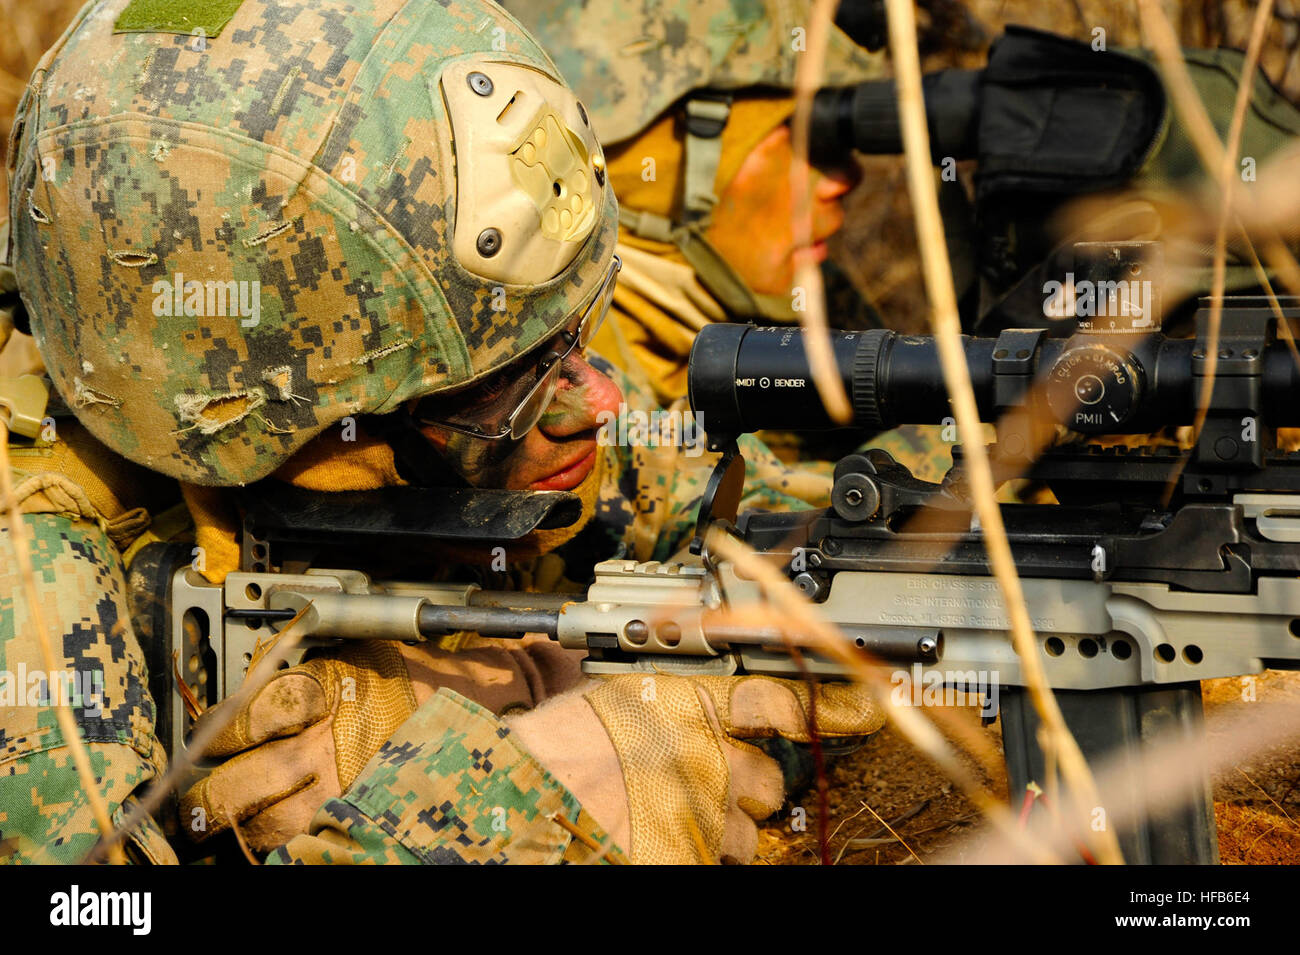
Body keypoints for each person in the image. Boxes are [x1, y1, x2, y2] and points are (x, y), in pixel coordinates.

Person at [0, 0, 882, 865]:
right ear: (247, 414)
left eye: (571, 337)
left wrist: (474, 696)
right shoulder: (28, 583)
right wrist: (506, 806)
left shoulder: (505, 428)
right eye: (502, 384)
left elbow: (802, 594)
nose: (595, 402)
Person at [504, 0, 957, 481]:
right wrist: (1008, 409)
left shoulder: (802, 303)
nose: (845, 179)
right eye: (808, 139)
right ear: (663, 163)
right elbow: (749, 518)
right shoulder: (547, 364)